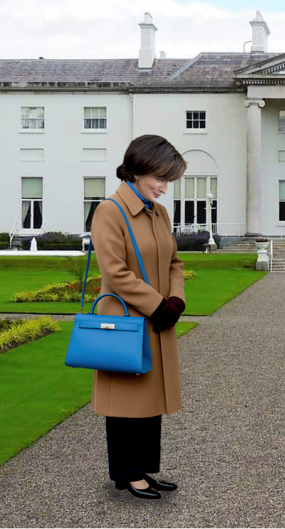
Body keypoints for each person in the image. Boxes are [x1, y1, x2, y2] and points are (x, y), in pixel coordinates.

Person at [90, 134, 188, 500]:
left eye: (168, 180)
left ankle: (144, 468)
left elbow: (175, 263)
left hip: (157, 319)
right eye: (160, 178)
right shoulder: (110, 211)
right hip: (126, 320)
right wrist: (157, 305)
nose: (164, 187)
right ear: (138, 170)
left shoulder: (158, 213)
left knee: (149, 397)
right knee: (125, 399)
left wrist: (175, 301)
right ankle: (127, 473)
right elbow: (114, 272)